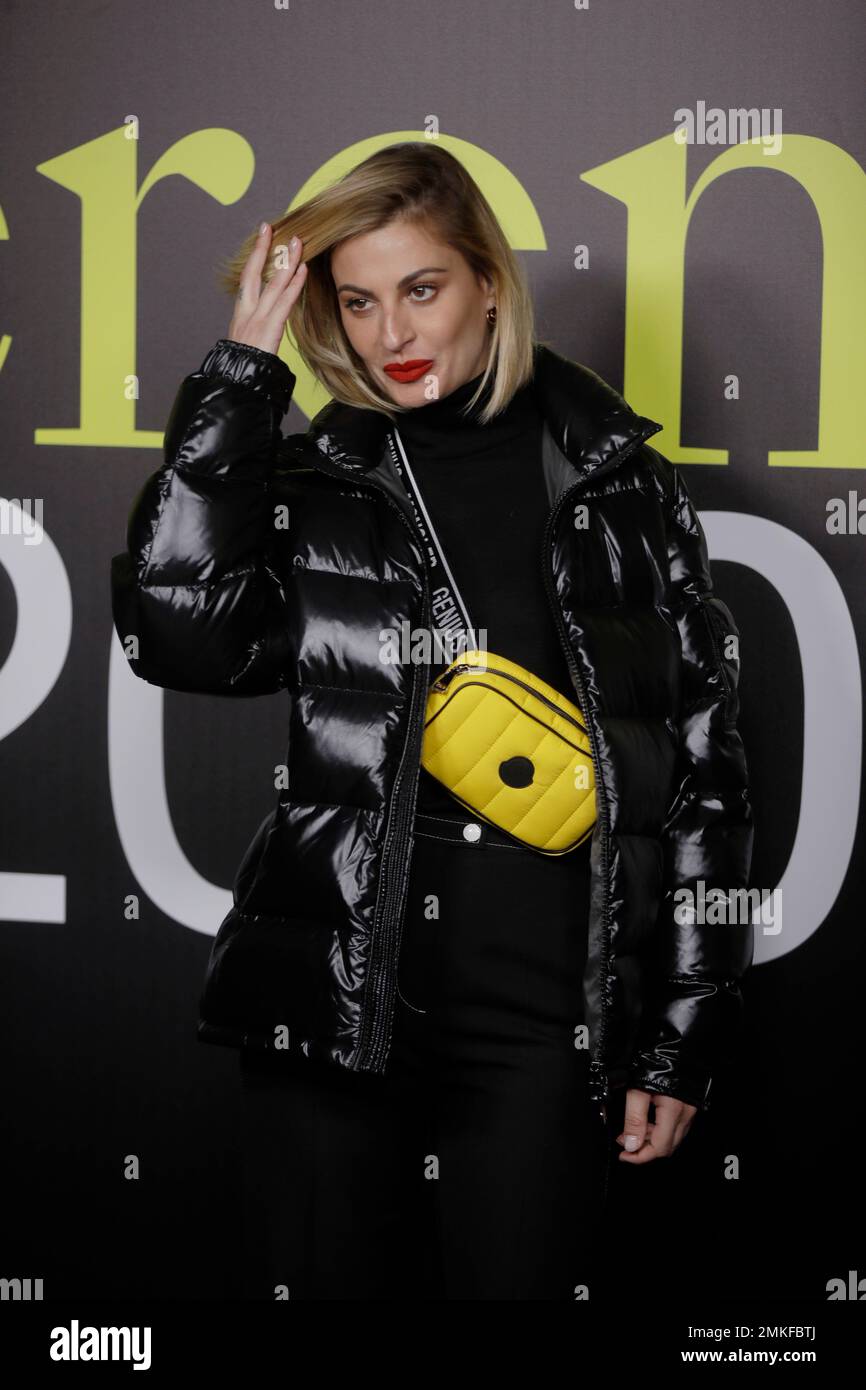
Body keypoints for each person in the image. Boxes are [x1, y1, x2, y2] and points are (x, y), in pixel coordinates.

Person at [110, 142, 755, 1301]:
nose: (390, 333)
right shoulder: (318, 482)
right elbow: (182, 638)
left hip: (542, 1024)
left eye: (421, 289)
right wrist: (238, 381)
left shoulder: (618, 485)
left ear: (488, 283)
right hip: (338, 1012)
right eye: (356, 301)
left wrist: (677, 1036)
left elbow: (703, 773)